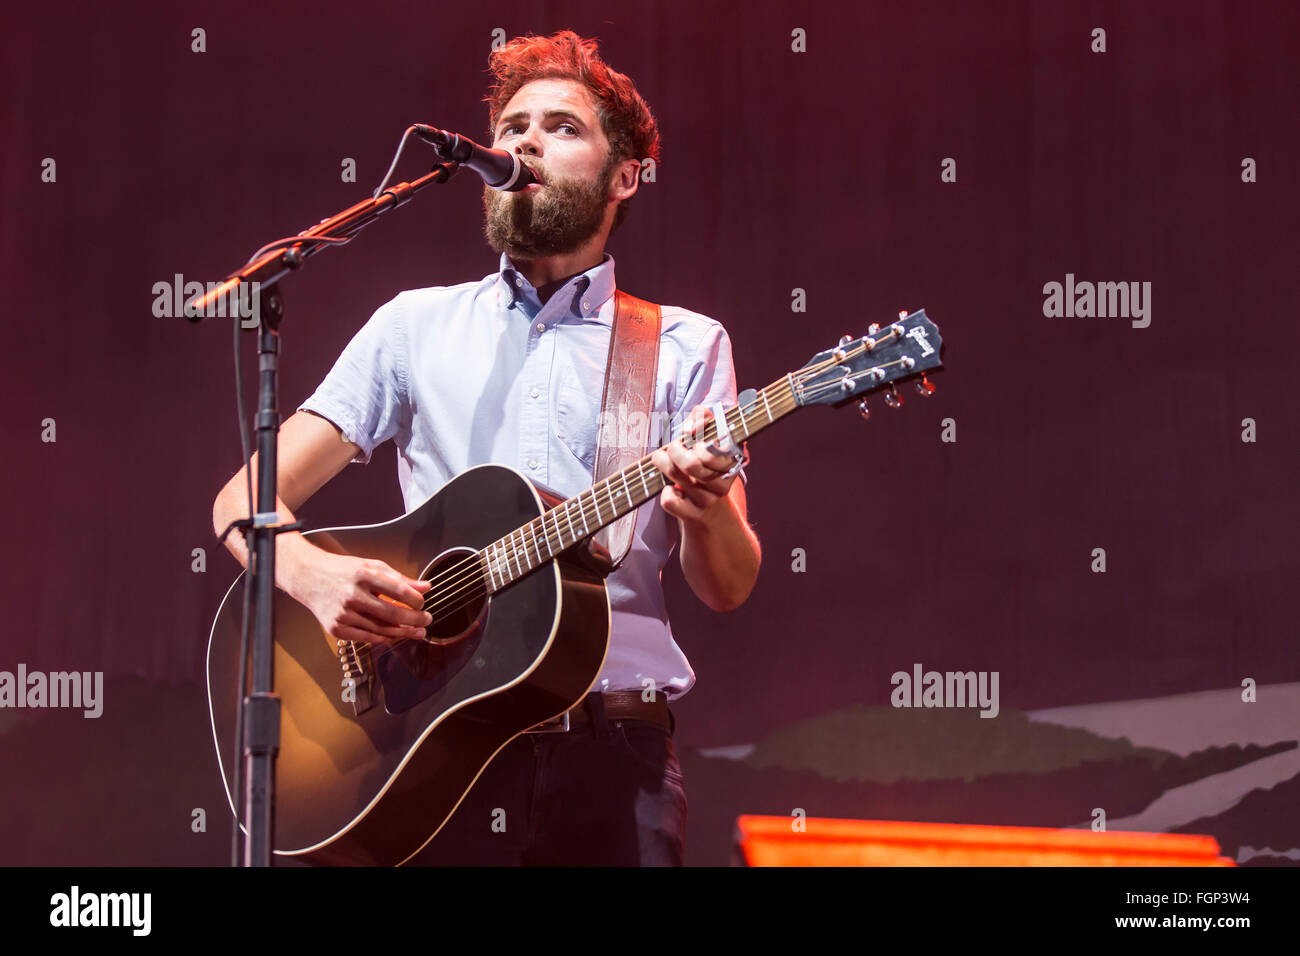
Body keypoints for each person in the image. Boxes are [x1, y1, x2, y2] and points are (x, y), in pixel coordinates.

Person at [211, 30, 761, 866]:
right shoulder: (413, 325)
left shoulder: (682, 345)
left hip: (615, 760)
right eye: (512, 127)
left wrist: (708, 505)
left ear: (625, 177)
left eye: (562, 127)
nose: (525, 142)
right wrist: (312, 576)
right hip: (430, 753)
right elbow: (240, 501)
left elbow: (727, 585)